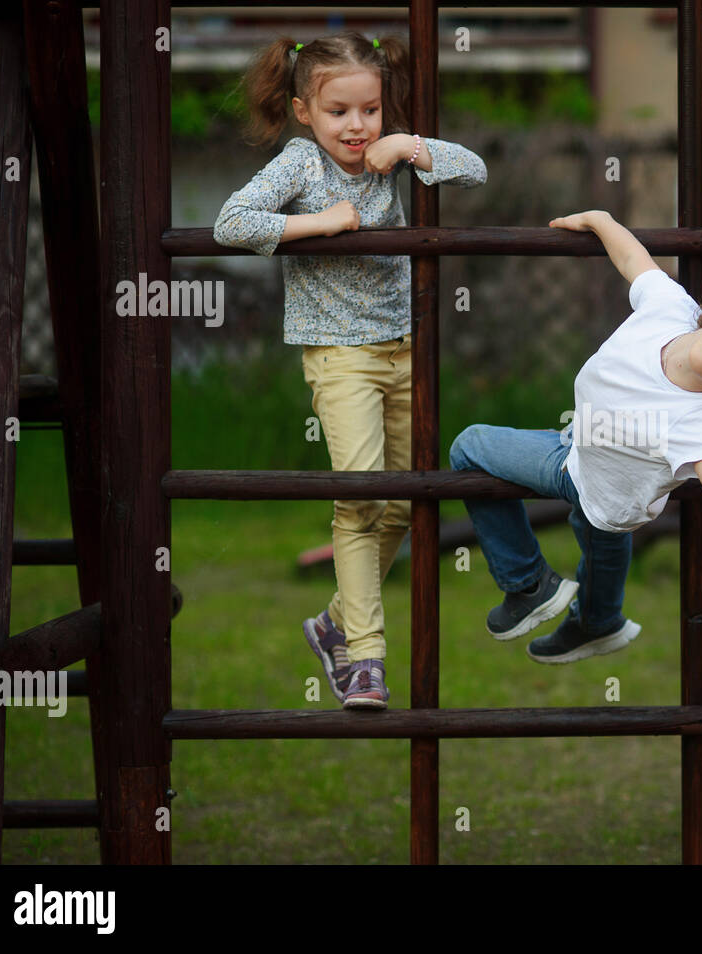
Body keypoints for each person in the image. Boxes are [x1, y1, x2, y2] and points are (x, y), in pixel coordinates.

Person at [213, 32, 486, 708]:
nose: (358, 126)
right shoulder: (302, 164)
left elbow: (474, 169)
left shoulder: (388, 158)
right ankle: (364, 657)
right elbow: (229, 223)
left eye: (370, 111)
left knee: (405, 501)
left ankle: (335, 622)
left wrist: (415, 149)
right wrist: (322, 225)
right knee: (360, 496)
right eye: (340, 112)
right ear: (306, 110)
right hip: (340, 358)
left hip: (403, 349)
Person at [450, 210, 702, 664]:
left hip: (600, 494)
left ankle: (562, 604)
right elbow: (634, 260)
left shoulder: (699, 427)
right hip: (573, 450)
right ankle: (562, 603)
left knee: (589, 543)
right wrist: (603, 220)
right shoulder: (671, 309)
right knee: (480, 454)